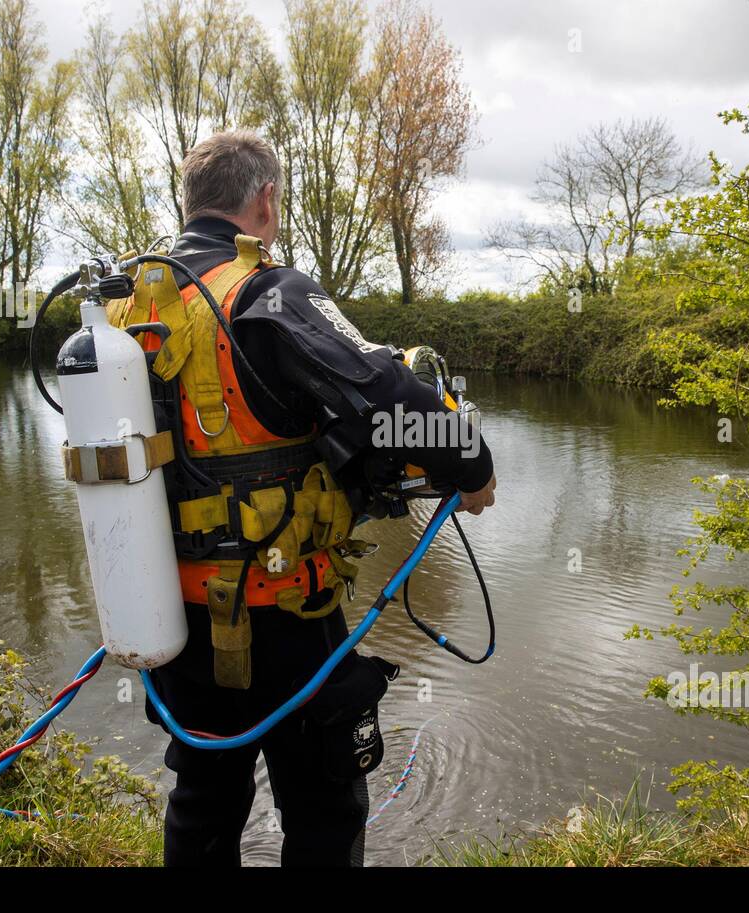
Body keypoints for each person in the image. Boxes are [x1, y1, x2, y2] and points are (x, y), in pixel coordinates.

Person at [107, 130, 497, 867]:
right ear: (265, 200)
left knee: (204, 797)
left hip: (169, 611)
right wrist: (472, 466)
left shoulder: (132, 310)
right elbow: (389, 395)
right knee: (322, 804)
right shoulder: (267, 290)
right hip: (284, 609)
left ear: (189, 203)